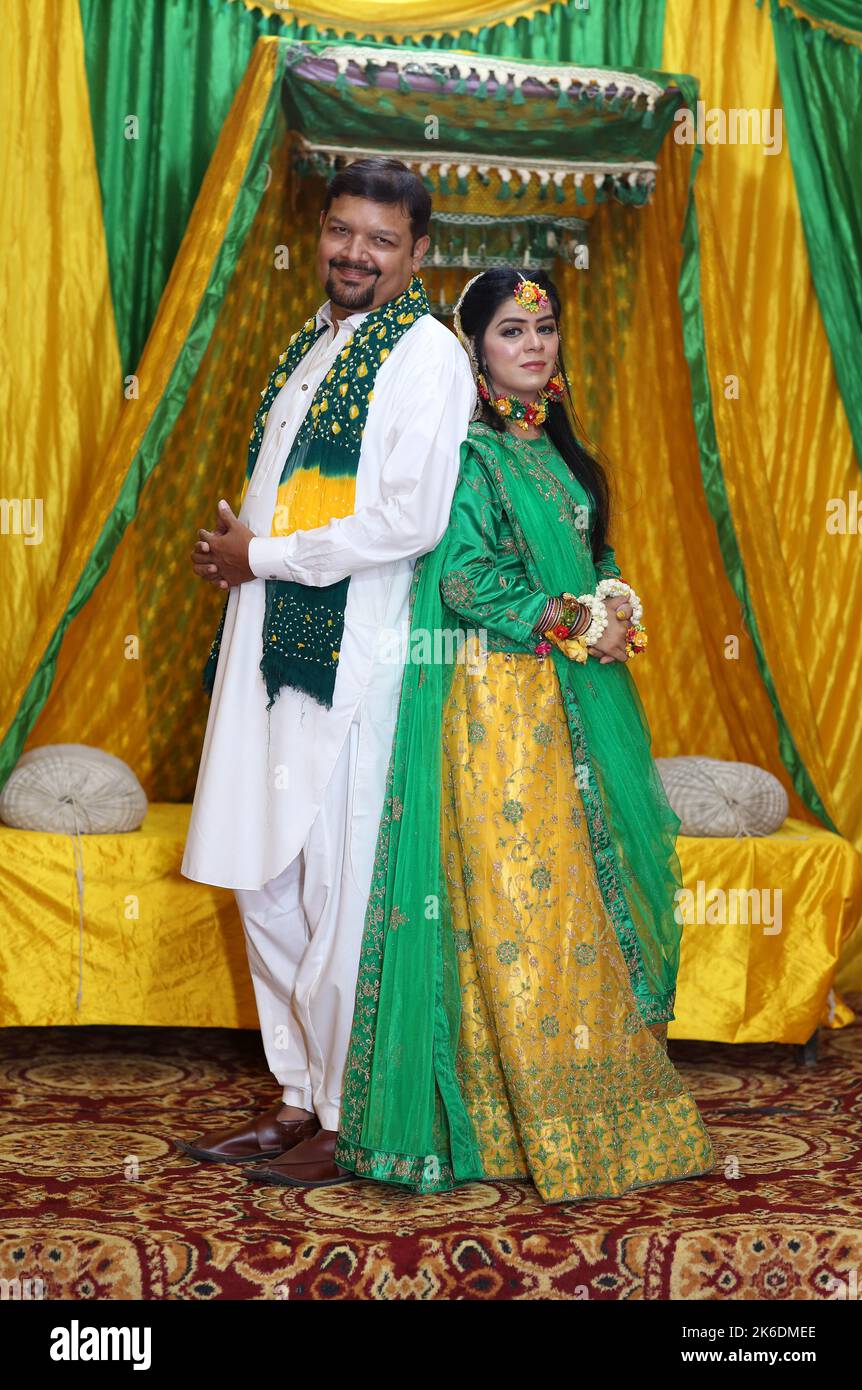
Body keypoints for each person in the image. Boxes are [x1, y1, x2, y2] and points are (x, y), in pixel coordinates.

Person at [333, 267, 716, 1204]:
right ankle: (507, 1116)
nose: (534, 347)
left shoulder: (563, 455)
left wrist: (613, 595)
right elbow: (463, 581)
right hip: (498, 708)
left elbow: (592, 552)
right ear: (477, 349)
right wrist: (573, 620)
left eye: (543, 331)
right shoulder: (468, 454)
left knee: (580, 894)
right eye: (512, 332)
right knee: (515, 905)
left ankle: (589, 1101)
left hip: (569, 702)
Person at [177, 158, 476, 1188]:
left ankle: (347, 1113)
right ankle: (297, 1091)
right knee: (267, 877)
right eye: (341, 230)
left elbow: (407, 519)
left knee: (340, 885)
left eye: (380, 240)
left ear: (418, 251)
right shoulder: (315, 341)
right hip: (269, 648)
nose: (354, 252)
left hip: (355, 664)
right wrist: (247, 550)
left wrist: (258, 555)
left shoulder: (428, 356)